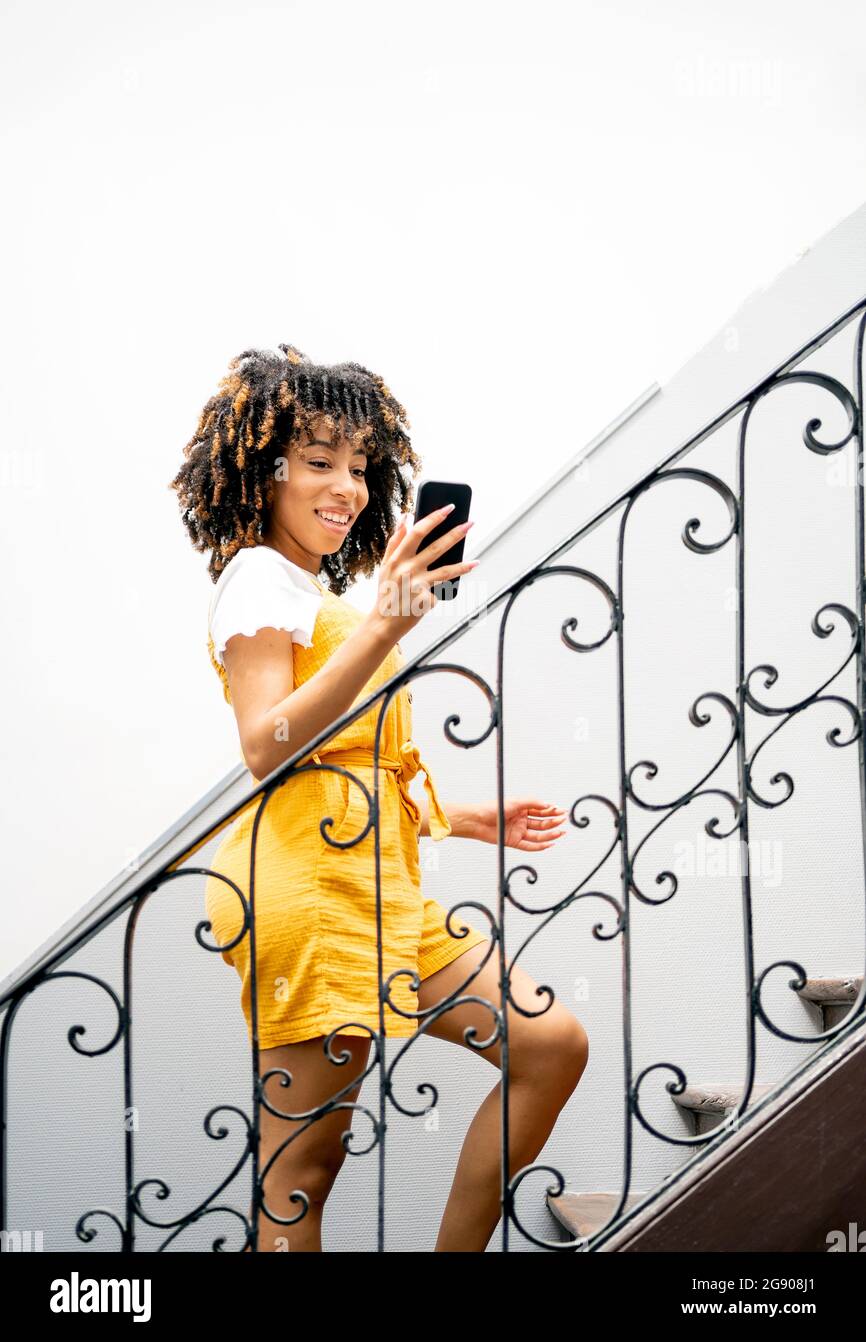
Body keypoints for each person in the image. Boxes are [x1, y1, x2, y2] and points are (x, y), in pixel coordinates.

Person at [170, 343, 589, 1252]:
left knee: (550, 1045)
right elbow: (264, 745)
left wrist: (467, 819)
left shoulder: (311, 590)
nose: (347, 485)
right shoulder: (255, 578)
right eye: (319, 461)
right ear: (260, 468)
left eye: (358, 466)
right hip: (305, 890)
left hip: (372, 882)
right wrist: (384, 626)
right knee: (304, 1173)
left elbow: (352, 753)